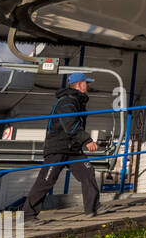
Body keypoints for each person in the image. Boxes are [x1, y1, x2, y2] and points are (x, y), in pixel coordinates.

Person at [23, 72, 101, 219]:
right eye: (86, 83)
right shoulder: (67, 101)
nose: (88, 85)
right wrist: (87, 140)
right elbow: (70, 124)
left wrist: (80, 142)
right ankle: (28, 215)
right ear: (78, 85)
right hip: (58, 148)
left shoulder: (76, 100)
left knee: (88, 173)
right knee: (46, 181)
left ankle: (93, 208)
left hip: (72, 148)